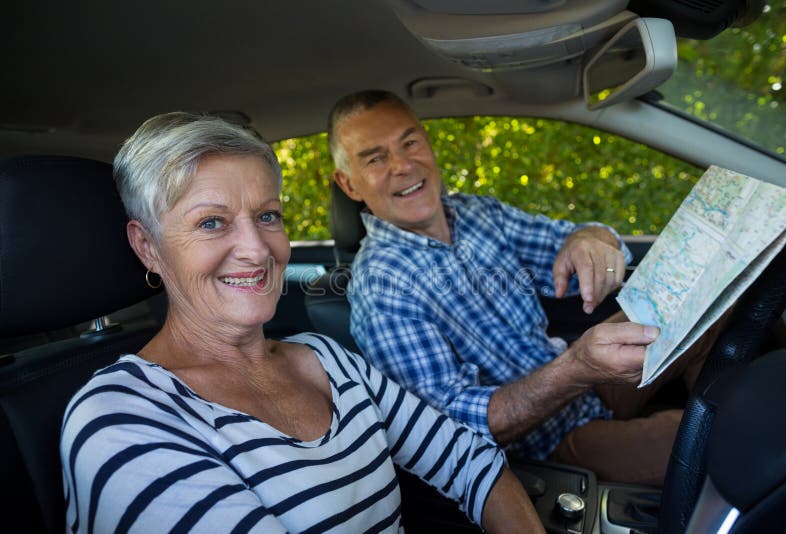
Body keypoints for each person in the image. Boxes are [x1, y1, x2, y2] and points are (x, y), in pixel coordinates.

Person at [59, 112, 544, 533]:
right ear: (148, 246)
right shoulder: (121, 418)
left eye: (268, 216)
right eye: (212, 222)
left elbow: (471, 463)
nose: (257, 249)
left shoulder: (327, 359)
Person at [329, 90, 714, 487]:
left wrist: (590, 240)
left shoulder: (479, 214)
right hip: (546, 446)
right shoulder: (381, 289)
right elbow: (452, 425)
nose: (403, 165)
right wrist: (577, 367)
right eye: (376, 158)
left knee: (703, 294)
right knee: (720, 436)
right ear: (350, 184)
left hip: (585, 384)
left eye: (410, 143)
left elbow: (578, 239)